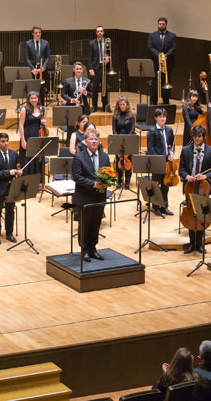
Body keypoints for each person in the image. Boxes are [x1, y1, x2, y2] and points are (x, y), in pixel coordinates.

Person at [178, 125, 211, 254]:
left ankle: (200, 244)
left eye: (199, 136)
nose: (197, 139)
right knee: (191, 213)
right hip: (190, 187)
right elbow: (181, 169)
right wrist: (187, 176)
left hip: (204, 188)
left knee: (202, 214)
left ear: (203, 137)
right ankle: (191, 244)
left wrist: (205, 176)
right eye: (195, 137)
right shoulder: (185, 150)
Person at [72, 130, 110, 262]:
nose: (94, 141)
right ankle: (84, 250)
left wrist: (108, 182)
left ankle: (93, 248)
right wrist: (93, 184)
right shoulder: (79, 157)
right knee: (85, 224)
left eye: (96, 139)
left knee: (96, 223)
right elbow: (77, 177)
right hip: (84, 196)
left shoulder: (104, 157)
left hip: (100, 196)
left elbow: (109, 174)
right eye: (91, 139)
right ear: (86, 142)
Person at [0, 132, 21, 245]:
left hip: (11, 187)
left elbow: (18, 166)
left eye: (7, 140)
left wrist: (19, 171)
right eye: (3, 141)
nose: (6, 143)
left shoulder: (13, 154)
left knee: (10, 211)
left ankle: (9, 233)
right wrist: (8, 172)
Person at [146, 107, 175, 217]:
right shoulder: (152, 131)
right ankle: (156, 206)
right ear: (156, 118)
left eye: (164, 116)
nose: (163, 119)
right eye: (160, 117)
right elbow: (150, 148)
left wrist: (171, 154)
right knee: (156, 185)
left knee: (165, 185)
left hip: (167, 162)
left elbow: (171, 145)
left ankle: (164, 206)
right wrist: (158, 159)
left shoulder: (169, 130)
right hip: (157, 162)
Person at [147, 17, 176, 104]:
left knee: (166, 83)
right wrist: (160, 56)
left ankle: (166, 101)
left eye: (163, 24)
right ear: (158, 24)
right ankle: (153, 101)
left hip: (168, 64)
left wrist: (165, 56)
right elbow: (150, 47)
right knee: (155, 83)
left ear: (166, 25)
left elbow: (173, 47)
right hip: (156, 63)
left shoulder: (172, 35)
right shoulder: (152, 35)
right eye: (160, 24)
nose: (161, 25)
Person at [19, 91, 45, 179]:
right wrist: (23, 140)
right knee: (27, 159)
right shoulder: (24, 109)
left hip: (38, 136)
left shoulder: (42, 109)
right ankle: (26, 181)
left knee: (37, 159)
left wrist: (43, 122)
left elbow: (42, 125)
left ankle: (36, 182)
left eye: (35, 98)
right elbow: (21, 125)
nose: (33, 100)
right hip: (27, 136)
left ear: (38, 99)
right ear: (28, 99)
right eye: (31, 98)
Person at [112, 96, 135, 189]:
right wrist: (118, 138)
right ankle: (119, 181)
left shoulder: (131, 115)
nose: (122, 106)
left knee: (128, 161)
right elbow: (114, 129)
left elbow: (133, 129)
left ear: (127, 104)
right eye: (120, 105)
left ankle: (127, 182)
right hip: (118, 140)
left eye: (123, 104)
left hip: (129, 139)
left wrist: (127, 138)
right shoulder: (115, 115)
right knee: (118, 161)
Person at [88, 25, 110, 112]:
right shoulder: (92, 43)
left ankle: (105, 106)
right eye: (98, 31)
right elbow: (90, 57)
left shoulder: (107, 42)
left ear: (103, 32)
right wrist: (90, 68)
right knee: (95, 89)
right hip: (95, 68)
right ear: (96, 32)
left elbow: (110, 54)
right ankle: (94, 106)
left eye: (101, 31)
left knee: (105, 88)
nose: (100, 32)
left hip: (105, 68)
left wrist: (108, 58)